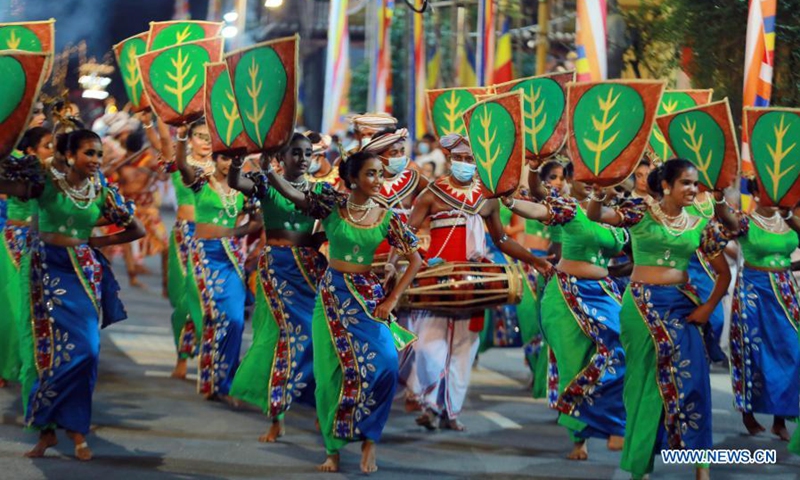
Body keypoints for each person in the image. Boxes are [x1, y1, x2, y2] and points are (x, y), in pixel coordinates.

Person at [266, 150, 423, 474]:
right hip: (332, 297)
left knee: (386, 365)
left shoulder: (387, 215)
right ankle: (333, 449)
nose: (379, 180)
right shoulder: (331, 206)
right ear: (352, 179)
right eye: (371, 173)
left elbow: (416, 260)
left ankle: (369, 441)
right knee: (329, 377)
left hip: (369, 299)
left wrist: (392, 299)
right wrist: (269, 171)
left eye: (381, 173)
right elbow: (294, 194)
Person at [0, 129, 144, 461]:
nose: (95, 160)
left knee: (88, 351)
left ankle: (76, 424)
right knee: (42, 353)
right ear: (68, 155)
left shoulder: (101, 192)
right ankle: (48, 432)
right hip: (43, 271)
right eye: (88, 153)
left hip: (82, 273)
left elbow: (136, 228)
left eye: (98, 154)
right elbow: (8, 187)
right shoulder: (45, 184)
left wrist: (96, 243)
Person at [585, 159, 733, 480]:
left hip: (681, 308)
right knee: (642, 383)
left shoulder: (698, 224)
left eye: (695, 184)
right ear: (666, 185)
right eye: (686, 183)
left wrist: (708, 307)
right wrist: (597, 195)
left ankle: (701, 466)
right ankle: (641, 467)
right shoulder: (640, 212)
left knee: (694, 382)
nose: (693, 189)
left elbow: (723, 273)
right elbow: (597, 216)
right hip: (640, 306)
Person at [406, 134, 553, 431]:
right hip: (438, 279)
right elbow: (406, 234)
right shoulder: (431, 195)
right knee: (428, 347)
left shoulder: (487, 199)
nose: (466, 165)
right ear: (449, 159)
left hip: (475, 281)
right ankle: (431, 404)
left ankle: (449, 411)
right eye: (460, 159)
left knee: (464, 347)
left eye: (471, 160)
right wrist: (421, 256)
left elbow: (500, 239)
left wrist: (536, 261)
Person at [508, 163, 628, 460]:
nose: (591, 184)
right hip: (566, 296)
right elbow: (538, 205)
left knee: (623, 348)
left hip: (604, 294)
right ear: (571, 180)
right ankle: (579, 439)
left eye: (597, 179)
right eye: (584, 179)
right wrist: (510, 200)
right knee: (573, 364)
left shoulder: (618, 214)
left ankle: (616, 423)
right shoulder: (568, 207)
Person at [227, 133, 327, 442]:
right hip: (278, 269)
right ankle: (276, 416)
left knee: (320, 339)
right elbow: (236, 182)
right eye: (295, 152)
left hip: (311, 271)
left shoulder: (322, 190)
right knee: (289, 337)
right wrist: (236, 161)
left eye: (308, 152)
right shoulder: (265, 183)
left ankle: (320, 408)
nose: (303, 158)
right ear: (280, 159)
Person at [175, 123, 261, 402]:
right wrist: (179, 137)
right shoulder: (200, 182)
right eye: (224, 157)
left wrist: (234, 233)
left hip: (231, 260)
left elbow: (257, 222)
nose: (229, 163)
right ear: (215, 159)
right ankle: (212, 381)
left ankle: (226, 381)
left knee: (235, 321)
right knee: (213, 319)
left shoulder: (245, 190)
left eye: (234, 158)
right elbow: (180, 164)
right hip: (204, 258)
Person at [727, 179, 800, 441]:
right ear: (756, 193)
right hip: (753, 292)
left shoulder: (790, 219)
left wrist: (791, 267)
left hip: (785, 291)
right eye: (767, 190)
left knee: (792, 350)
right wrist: (717, 197)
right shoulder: (745, 222)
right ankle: (748, 412)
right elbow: (723, 221)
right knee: (751, 351)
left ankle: (780, 419)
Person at [0, 127, 53, 395]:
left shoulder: (56, 175)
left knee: (33, 310)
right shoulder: (14, 167)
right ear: (30, 150)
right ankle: (5, 366)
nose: (51, 151)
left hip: (38, 245)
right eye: (47, 145)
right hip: (11, 242)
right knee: (9, 309)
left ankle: (30, 366)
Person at [165, 120, 211, 379]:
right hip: (184, 235)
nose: (205, 142)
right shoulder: (178, 162)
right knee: (184, 299)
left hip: (212, 240)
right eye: (199, 136)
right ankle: (182, 355)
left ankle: (207, 356)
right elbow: (160, 141)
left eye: (209, 137)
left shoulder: (223, 168)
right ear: (190, 138)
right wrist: (152, 120)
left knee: (205, 298)